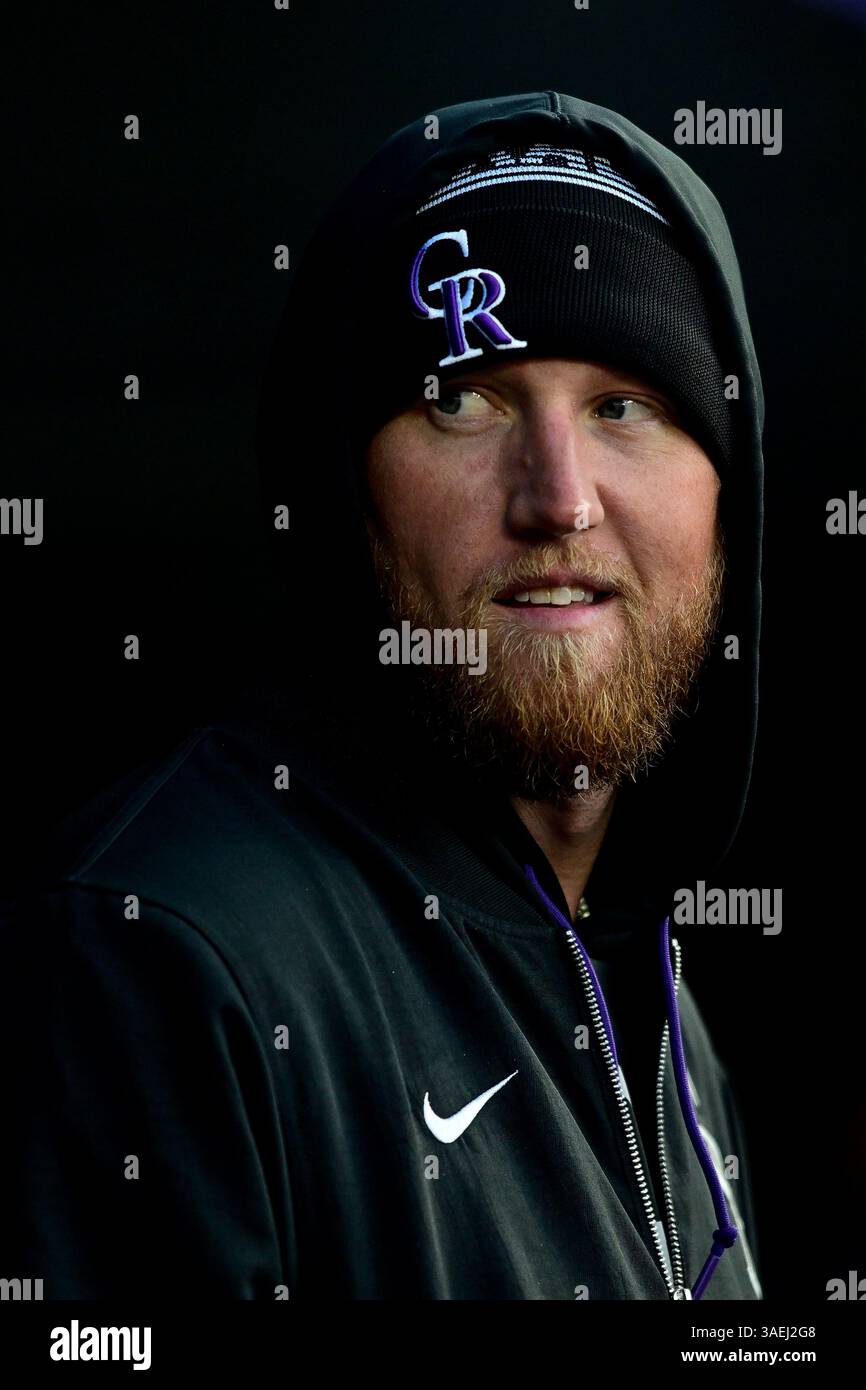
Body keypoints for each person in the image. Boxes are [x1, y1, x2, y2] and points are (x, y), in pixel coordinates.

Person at [1, 91, 764, 1300]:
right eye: (461, 401)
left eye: (626, 405)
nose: (557, 498)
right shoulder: (157, 952)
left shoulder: (657, 1004)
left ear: (729, 499)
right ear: (344, 493)